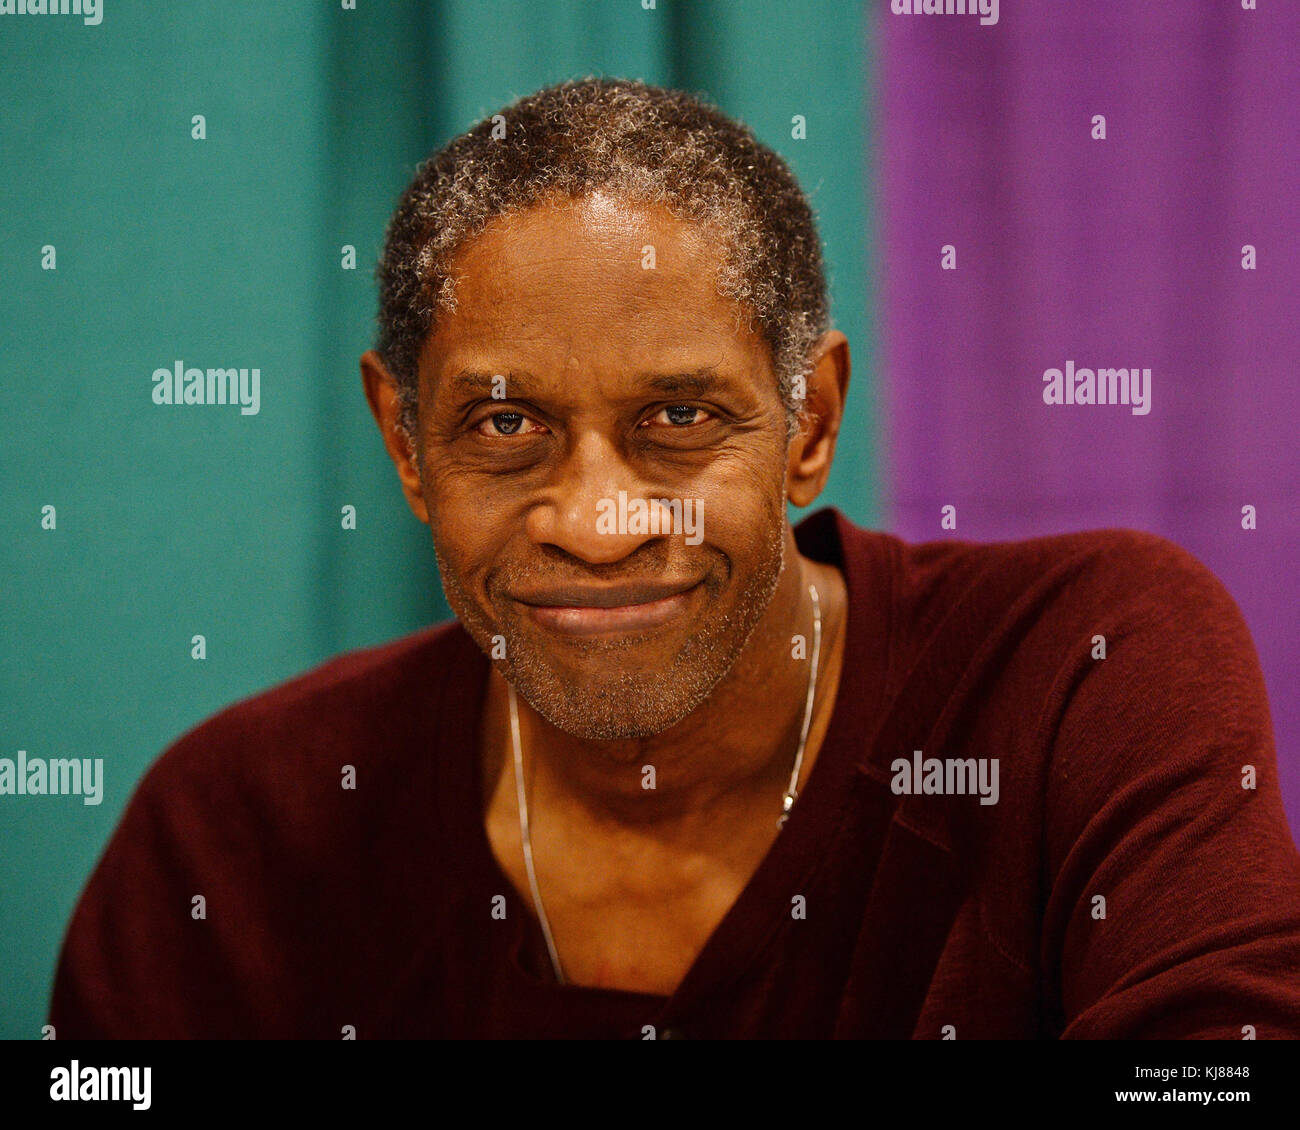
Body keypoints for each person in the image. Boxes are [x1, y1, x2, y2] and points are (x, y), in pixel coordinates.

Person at [49, 77, 1300, 1039]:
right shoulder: (237, 836)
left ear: (807, 422)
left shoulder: (1081, 666)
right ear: (405, 443)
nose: (599, 523)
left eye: (681, 419)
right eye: (503, 426)